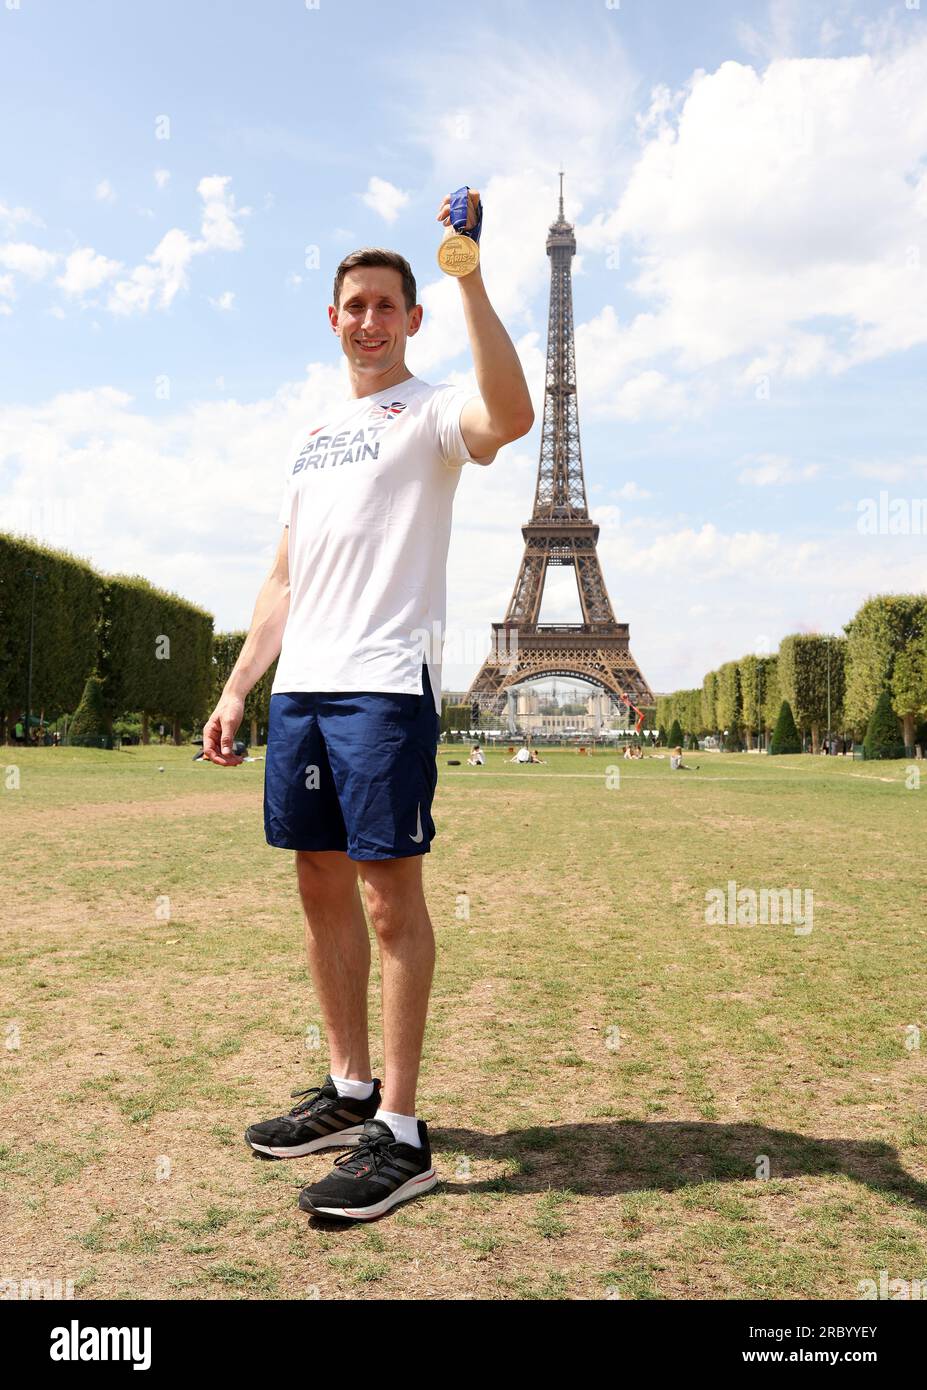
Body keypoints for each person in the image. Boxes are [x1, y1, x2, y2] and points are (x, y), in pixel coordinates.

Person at [200, 189, 533, 1223]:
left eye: (388, 303)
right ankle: (348, 1091)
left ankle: (401, 1129)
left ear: (411, 317)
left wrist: (469, 276)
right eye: (354, 304)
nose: (369, 319)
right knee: (317, 884)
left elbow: (513, 416)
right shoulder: (310, 440)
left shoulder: (434, 411)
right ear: (334, 317)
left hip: (384, 685)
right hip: (301, 689)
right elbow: (285, 580)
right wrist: (237, 684)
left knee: (391, 900)